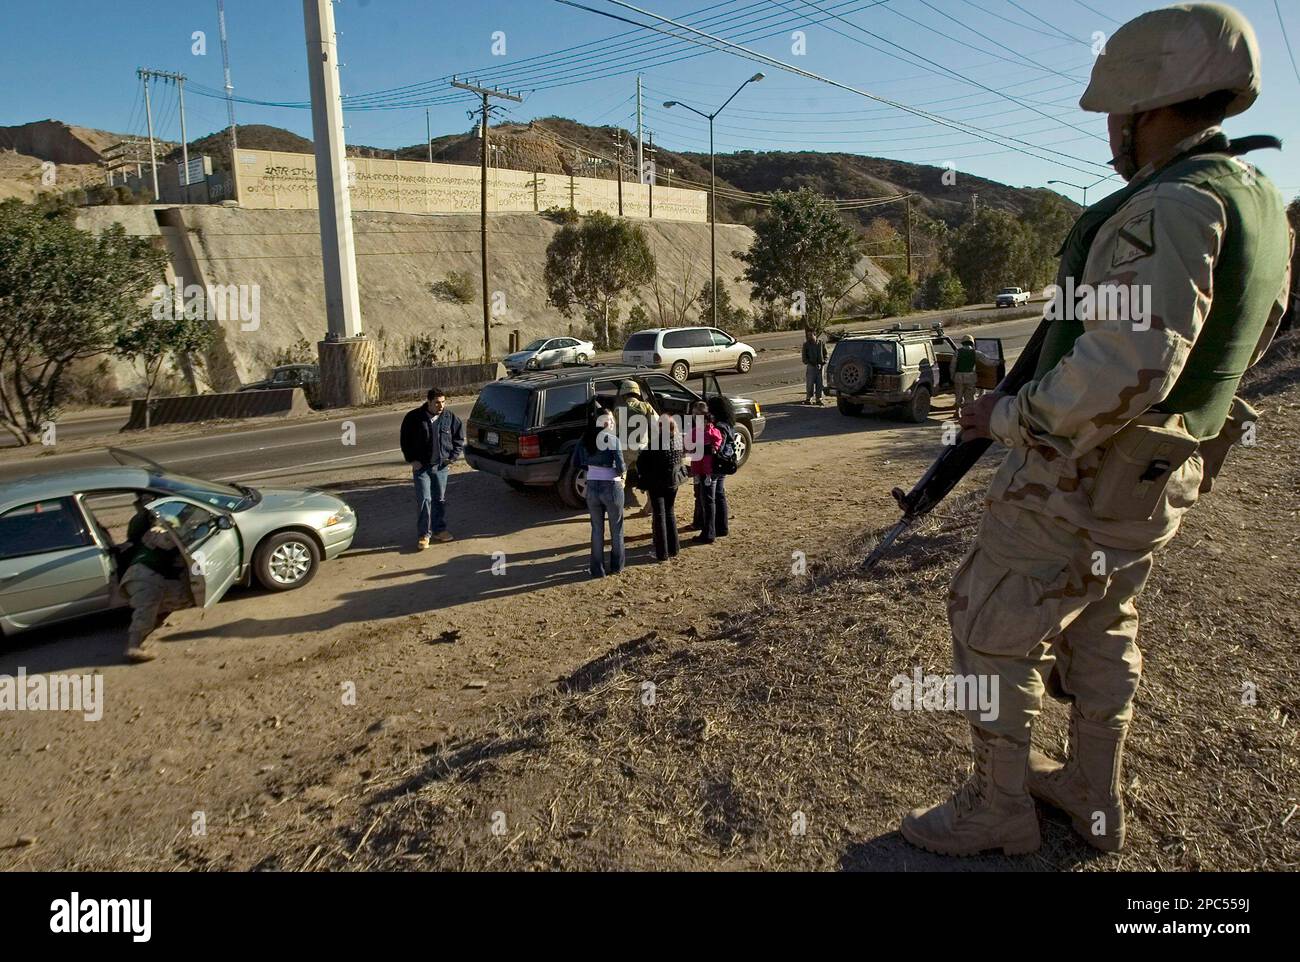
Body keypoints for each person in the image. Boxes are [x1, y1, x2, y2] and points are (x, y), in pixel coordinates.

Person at [901, 2, 1294, 857]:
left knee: (988, 627)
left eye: (1119, 113)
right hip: (1154, 479)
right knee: (1101, 622)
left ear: (1154, 104)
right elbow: (1247, 340)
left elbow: (1124, 366)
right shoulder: (1258, 201)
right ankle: (1088, 788)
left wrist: (1005, 416)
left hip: (1077, 474)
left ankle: (997, 809)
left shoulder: (1174, 208)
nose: (1112, 133)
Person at [118, 494, 192, 664]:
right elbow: (169, 543)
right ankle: (134, 646)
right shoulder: (156, 533)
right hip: (143, 578)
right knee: (146, 609)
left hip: (146, 576)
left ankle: (151, 628)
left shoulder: (146, 530)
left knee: (178, 597)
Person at [399, 387, 465, 548]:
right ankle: (423, 535)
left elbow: (459, 438)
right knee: (424, 500)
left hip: (441, 467)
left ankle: (439, 530)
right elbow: (405, 441)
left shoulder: (449, 417)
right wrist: (412, 460)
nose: (440, 406)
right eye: (437, 403)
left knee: (439, 500)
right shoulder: (414, 417)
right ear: (428, 402)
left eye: (443, 402)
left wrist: (452, 458)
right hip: (421, 468)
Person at [577, 408, 626, 577]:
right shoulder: (612, 439)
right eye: (610, 420)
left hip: (592, 486)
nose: (612, 422)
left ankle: (597, 569)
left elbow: (577, 461)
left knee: (597, 529)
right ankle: (617, 566)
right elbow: (621, 467)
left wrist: (591, 469)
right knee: (617, 528)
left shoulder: (585, 439)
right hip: (611, 487)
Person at [635, 413, 685, 562]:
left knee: (659, 515)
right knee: (670, 513)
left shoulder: (655, 444)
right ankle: (674, 548)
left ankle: (662, 552)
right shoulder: (677, 441)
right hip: (672, 482)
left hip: (656, 483)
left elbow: (641, 463)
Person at [614, 379, 657, 515]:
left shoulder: (617, 411)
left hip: (624, 448)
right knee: (647, 478)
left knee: (620, 479)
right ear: (637, 393)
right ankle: (649, 508)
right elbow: (657, 426)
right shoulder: (646, 407)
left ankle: (616, 508)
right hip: (642, 449)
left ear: (623, 395)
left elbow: (613, 430)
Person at [685, 400, 723, 544]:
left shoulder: (697, 432)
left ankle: (708, 533)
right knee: (710, 500)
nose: (694, 417)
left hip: (703, 470)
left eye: (696, 415)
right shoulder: (713, 430)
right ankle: (711, 529)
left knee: (706, 501)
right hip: (710, 470)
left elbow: (687, 447)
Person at [951, 334, 995, 410]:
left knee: (958, 395)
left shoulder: (957, 352)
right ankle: (967, 412)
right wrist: (999, 362)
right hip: (970, 377)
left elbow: (952, 366)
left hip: (958, 377)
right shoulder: (976, 353)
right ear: (972, 343)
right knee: (969, 396)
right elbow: (988, 362)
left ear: (963, 343)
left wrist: (952, 376)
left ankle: (957, 411)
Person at [802, 328, 829, 405]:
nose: (809, 337)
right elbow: (804, 359)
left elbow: (826, 354)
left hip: (820, 367)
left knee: (820, 383)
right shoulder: (806, 345)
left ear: (815, 335)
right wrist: (811, 363)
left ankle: (819, 399)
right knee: (809, 383)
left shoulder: (821, 343)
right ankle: (809, 398)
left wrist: (823, 363)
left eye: (811, 335)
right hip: (811, 367)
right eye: (808, 335)